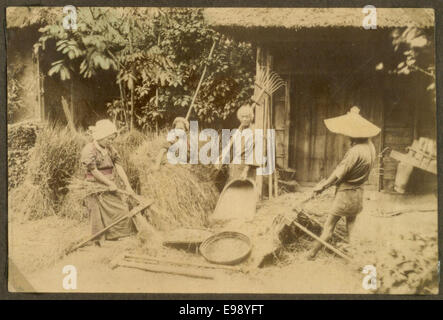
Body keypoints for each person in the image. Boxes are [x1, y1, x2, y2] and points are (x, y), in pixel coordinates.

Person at [306, 106, 380, 260]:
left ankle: (310, 254)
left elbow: (338, 173)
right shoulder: (371, 147)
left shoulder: (354, 152)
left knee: (328, 228)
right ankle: (354, 254)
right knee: (351, 226)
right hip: (358, 193)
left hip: (345, 195)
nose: (347, 136)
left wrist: (322, 186)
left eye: (349, 133)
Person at [81, 119, 136, 245]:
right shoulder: (89, 149)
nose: (111, 141)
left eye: (112, 139)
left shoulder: (110, 149)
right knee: (96, 214)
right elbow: (94, 171)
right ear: (100, 136)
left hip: (110, 184)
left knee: (120, 208)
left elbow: (119, 167)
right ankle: (99, 239)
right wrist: (109, 184)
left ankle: (117, 235)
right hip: (94, 185)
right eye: (108, 139)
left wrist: (127, 186)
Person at [223, 104, 259, 183]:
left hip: (247, 168)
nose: (245, 119)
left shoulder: (254, 132)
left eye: (247, 117)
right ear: (240, 118)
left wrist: (245, 171)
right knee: (232, 190)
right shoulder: (239, 131)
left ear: (251, 118)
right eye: (243, 117)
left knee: (244, 191)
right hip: (236, 166)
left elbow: (254, 154)